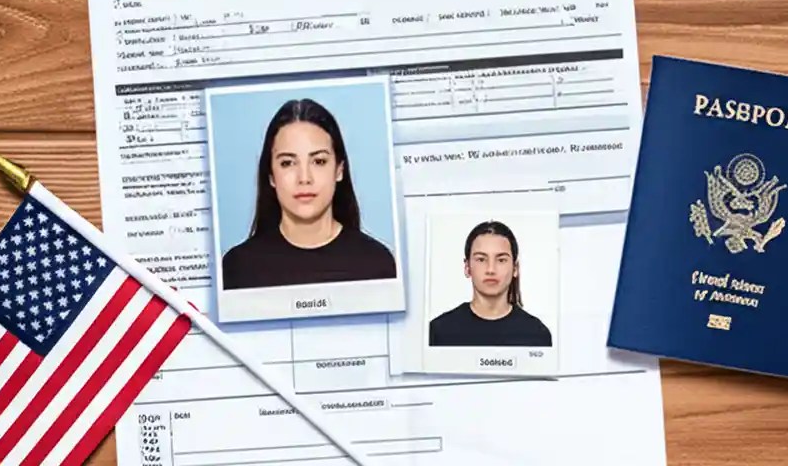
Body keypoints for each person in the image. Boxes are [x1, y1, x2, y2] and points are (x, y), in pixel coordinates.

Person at [220, 97, 397, 289]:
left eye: (319, 161)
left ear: (339, 170)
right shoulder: (238, 268)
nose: (304, 178)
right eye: (288, 163)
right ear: (271, 175)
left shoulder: (377, 264)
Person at [428, 221, 552, 347]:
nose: (491, 269)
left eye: (501, 260)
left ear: (515, 268)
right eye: (481, 259)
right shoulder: (439, 331)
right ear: (467, 267)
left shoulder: (537, 335)